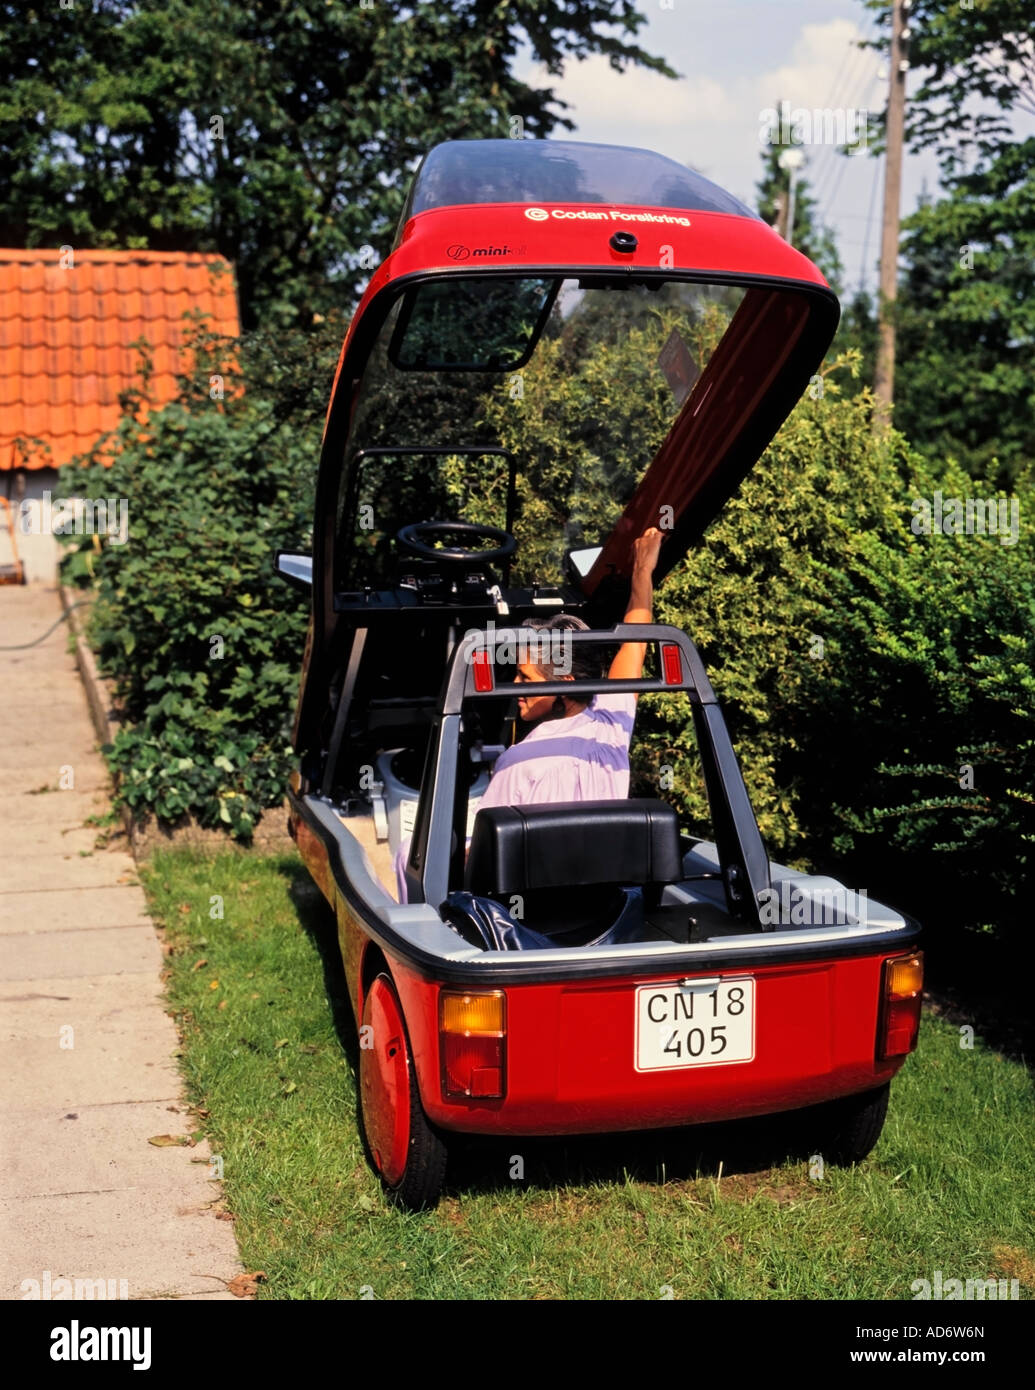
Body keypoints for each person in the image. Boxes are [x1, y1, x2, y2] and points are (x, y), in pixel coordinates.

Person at [476, 525, 664, 809]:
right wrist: (642, 571)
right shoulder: (611, 728)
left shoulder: (518, 762)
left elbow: (482, 847)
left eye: (525, 677)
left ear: (565, 683)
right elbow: (635, 644)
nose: (515, 685)